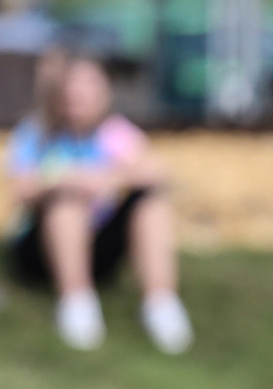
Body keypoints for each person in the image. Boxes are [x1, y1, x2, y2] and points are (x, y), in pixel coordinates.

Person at [5, 52, 192, 353]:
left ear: (104, 92)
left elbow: (156, 171)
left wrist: (105, 178)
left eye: (88, 85)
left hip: (98, 243)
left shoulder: (115, 134)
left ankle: (161, 302)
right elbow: (23, 189)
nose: (77, 94)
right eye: (71, 86)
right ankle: (76, 302)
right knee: (66, 203)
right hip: (40, 249)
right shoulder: (37, 134)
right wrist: (70, 180)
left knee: (149, 201)